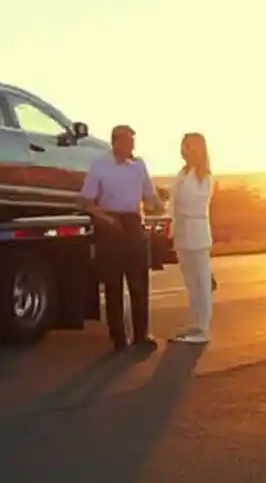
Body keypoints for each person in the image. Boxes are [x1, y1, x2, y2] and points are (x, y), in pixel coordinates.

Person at [79, 124, 165, 351]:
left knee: (139, 282)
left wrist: (160, 205)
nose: (130, 146)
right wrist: (105, 219)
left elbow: (149, 197)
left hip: (133, 224)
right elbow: (86, 202)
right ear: (115, 142)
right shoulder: (100, 165)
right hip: (109, 225)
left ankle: (141, 335)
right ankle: (118, 337)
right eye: (126, 141)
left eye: (132, 142)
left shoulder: (138, 166)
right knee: (113, 284)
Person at [169, 132, 215, 344]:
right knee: (191, 283)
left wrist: (178, 213)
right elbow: (175, 202)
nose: (184, 149)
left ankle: (203, 328)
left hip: (197, 232)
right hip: (182, 234)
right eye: (183, 145)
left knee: (201, 282)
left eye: (188, 146)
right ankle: (196, 323)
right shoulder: (183, 173)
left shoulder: (203, 174)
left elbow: (194, 203)